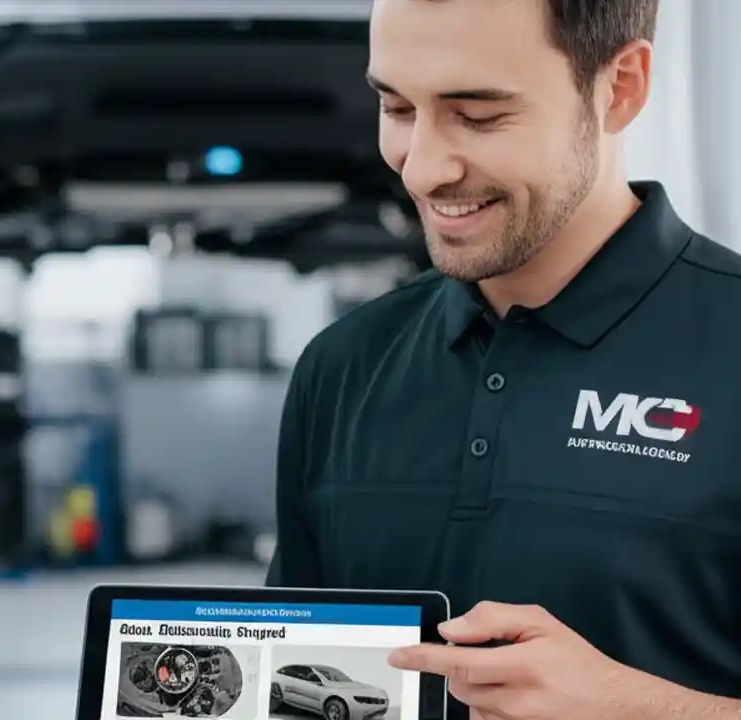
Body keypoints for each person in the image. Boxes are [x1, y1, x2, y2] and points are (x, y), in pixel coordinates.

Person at [266, 0, 741, 718]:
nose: (421, 169)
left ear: (622, 87)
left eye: (479, 115)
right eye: (396, 108)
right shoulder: (343, 367)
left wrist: (634, 707)